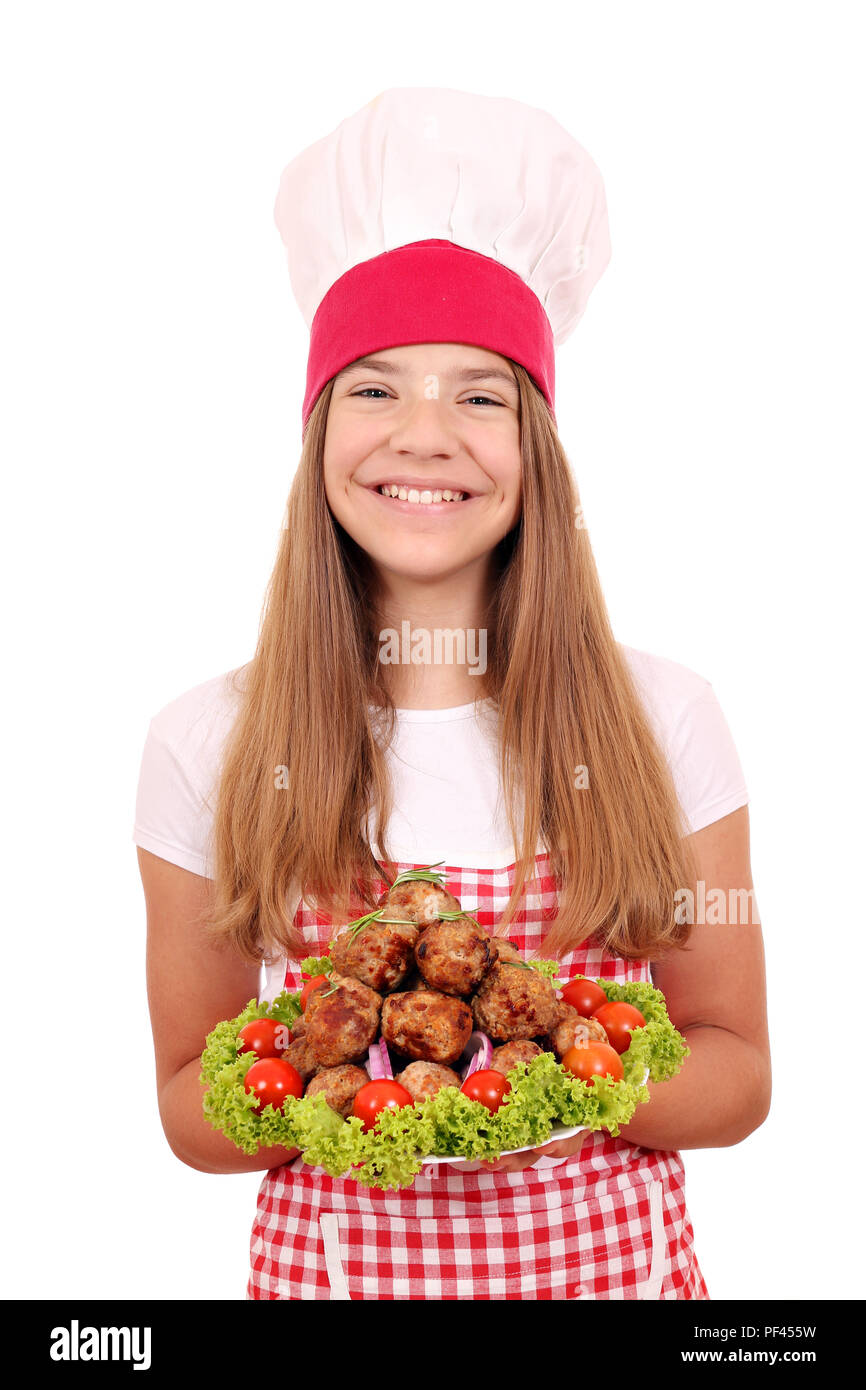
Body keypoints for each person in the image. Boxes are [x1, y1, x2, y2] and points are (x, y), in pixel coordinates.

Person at [134, 88, 770, 1300]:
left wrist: (551, 1071)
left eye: (478, 393)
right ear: (318, 435)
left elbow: (735, 1071)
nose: (424, 434)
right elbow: (189, 1105)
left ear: (534, 445)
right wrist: (367, 1097)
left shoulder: (662, 715)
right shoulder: (206, 739)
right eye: (374, 389)